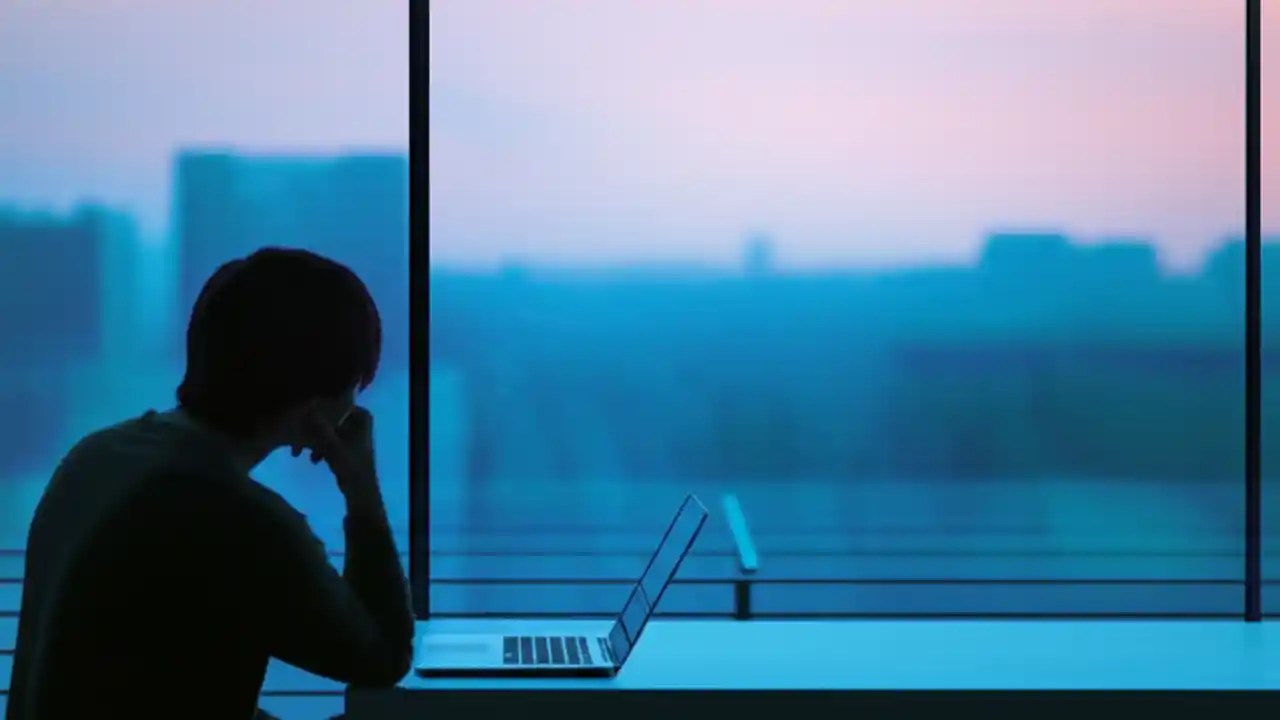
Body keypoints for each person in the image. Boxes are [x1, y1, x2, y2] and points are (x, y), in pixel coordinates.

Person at [6, 248, 414, 719]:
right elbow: (383, 655)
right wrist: (360, 487)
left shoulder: (95, 457)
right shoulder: (239, 519)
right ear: (319, 408)